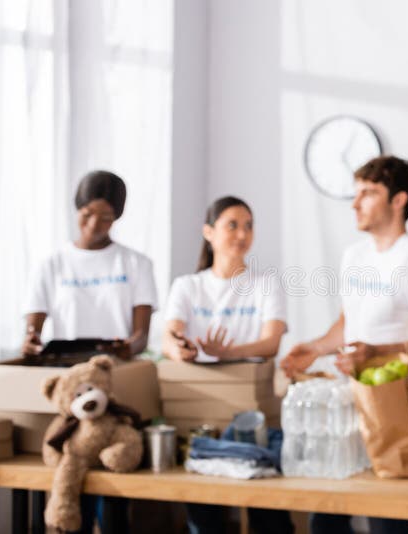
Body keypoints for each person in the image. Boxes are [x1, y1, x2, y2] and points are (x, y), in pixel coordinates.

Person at [280, 155, 408, 534]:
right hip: (349, 407)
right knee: (325, 520)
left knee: (384, 524)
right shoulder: (354, 256)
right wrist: (314, 348)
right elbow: (350, 325)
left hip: (395, 411)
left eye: (368, 193)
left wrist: (375, 353)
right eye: (356, 192)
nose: (355, 202)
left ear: (398, 200)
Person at [23, 169, 158, 534]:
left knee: (110, 482)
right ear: (76, 209)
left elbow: (141, 337)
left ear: (118, 217)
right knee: (68, 474)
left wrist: (127, 346)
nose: (95, 223)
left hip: (113, 376)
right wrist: (32, 340)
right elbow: (31, 332)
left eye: (106, 216)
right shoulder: (51, 265)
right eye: (87, 214)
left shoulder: (135, 264)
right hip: (69, 382)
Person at [162, 195, 293, 534]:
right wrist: (182, 351)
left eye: (249, 226)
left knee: (268, 514)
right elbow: (169, 339)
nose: (242, 234)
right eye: (232, 225)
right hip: (201, 416)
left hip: (253, 413)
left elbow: (271, 343)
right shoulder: (188, 286)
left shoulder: (266, 284)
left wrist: (226, 353)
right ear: (209, 232)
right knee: (205, 516)